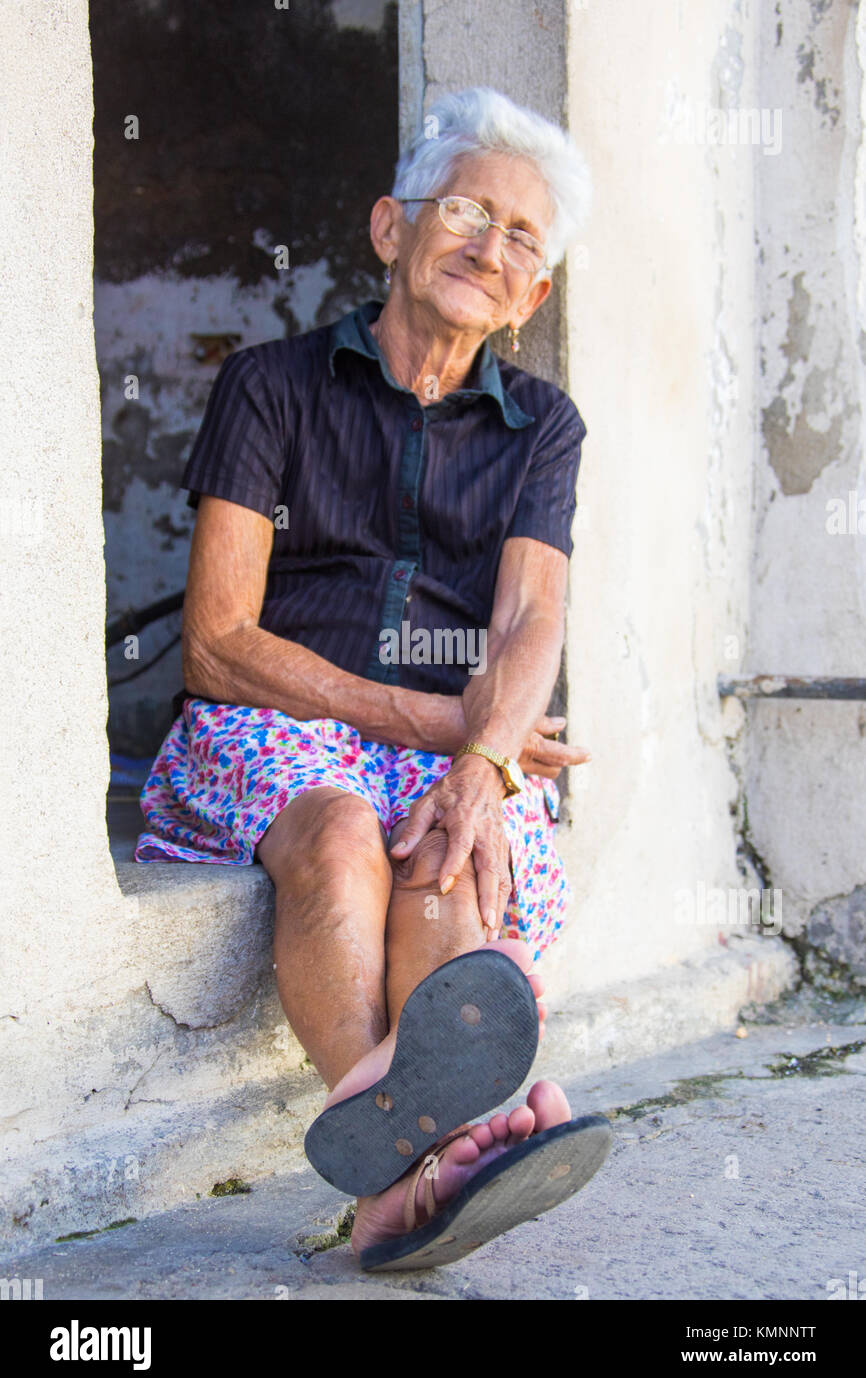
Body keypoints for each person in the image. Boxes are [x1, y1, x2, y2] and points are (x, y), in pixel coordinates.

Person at [135, 86, 611, 1271]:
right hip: (273, 720)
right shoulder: (271, 385)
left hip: (454, 746)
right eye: (465, 210)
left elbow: (529, 618)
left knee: (447, 857)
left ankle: (401, 1186)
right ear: (391, 229)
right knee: (346, 834)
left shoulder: (541, 426)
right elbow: (218, 639)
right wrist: (451, 719)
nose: (488, 247)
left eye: (521, 239)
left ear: (532, 296)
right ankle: (432, 1164)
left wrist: (484, 762)